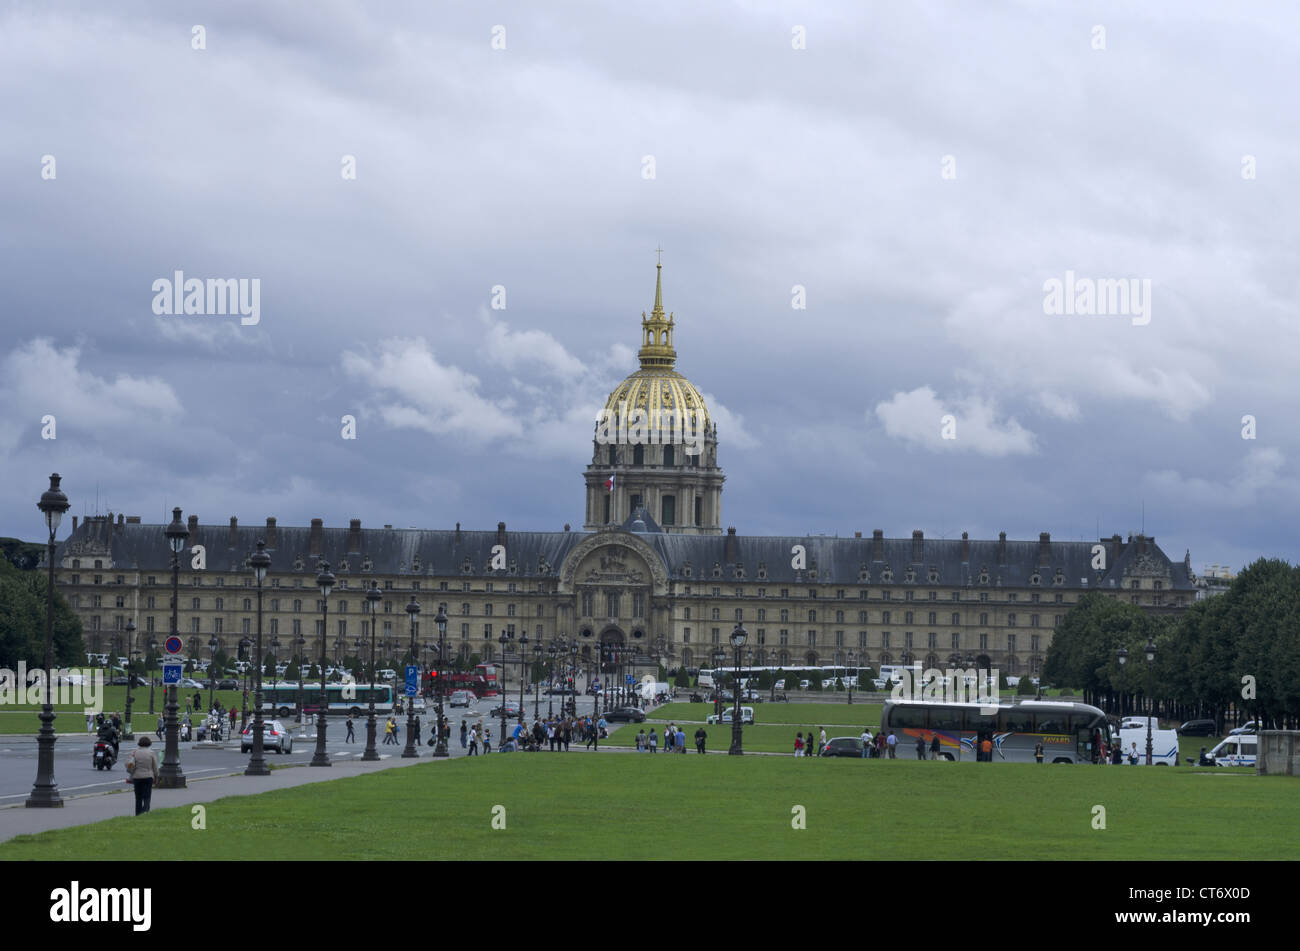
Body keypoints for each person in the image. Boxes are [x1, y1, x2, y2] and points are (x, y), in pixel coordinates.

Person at [125, 736, 160, 815]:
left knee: (138, 797)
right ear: (149, 744)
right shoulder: (151, 753)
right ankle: (145, 811)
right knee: (147, 796)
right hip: (148, 777)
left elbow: (128, 764)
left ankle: (138, 813)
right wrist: (156, 776)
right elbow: (155, 767)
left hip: (137, 777)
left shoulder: (134, 752)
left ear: (139, 743)